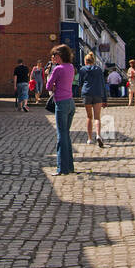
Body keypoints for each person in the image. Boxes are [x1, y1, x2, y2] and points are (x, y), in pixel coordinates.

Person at [47, 44, 76, 175]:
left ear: (59, 56)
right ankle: (69, 166)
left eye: (54, 56)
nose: (53, 58)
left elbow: (48, 86)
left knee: (61, 136)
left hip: (61, 103)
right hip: (70, 102)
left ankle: (61, 168)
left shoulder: (58, 69)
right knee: (66, 135)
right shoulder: (71, 67)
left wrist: (52, 81)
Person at [79, 51, 107, 149]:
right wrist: (105, 99)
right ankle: (98, 135)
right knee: (97, 117)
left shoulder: (82, 69)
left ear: (85, 61)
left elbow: (80, 82)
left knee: (89, 116)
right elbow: (103, 84)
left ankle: (90, 138)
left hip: (87, 93)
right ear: (93, 60)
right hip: (98, 93)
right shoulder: (99, 70)